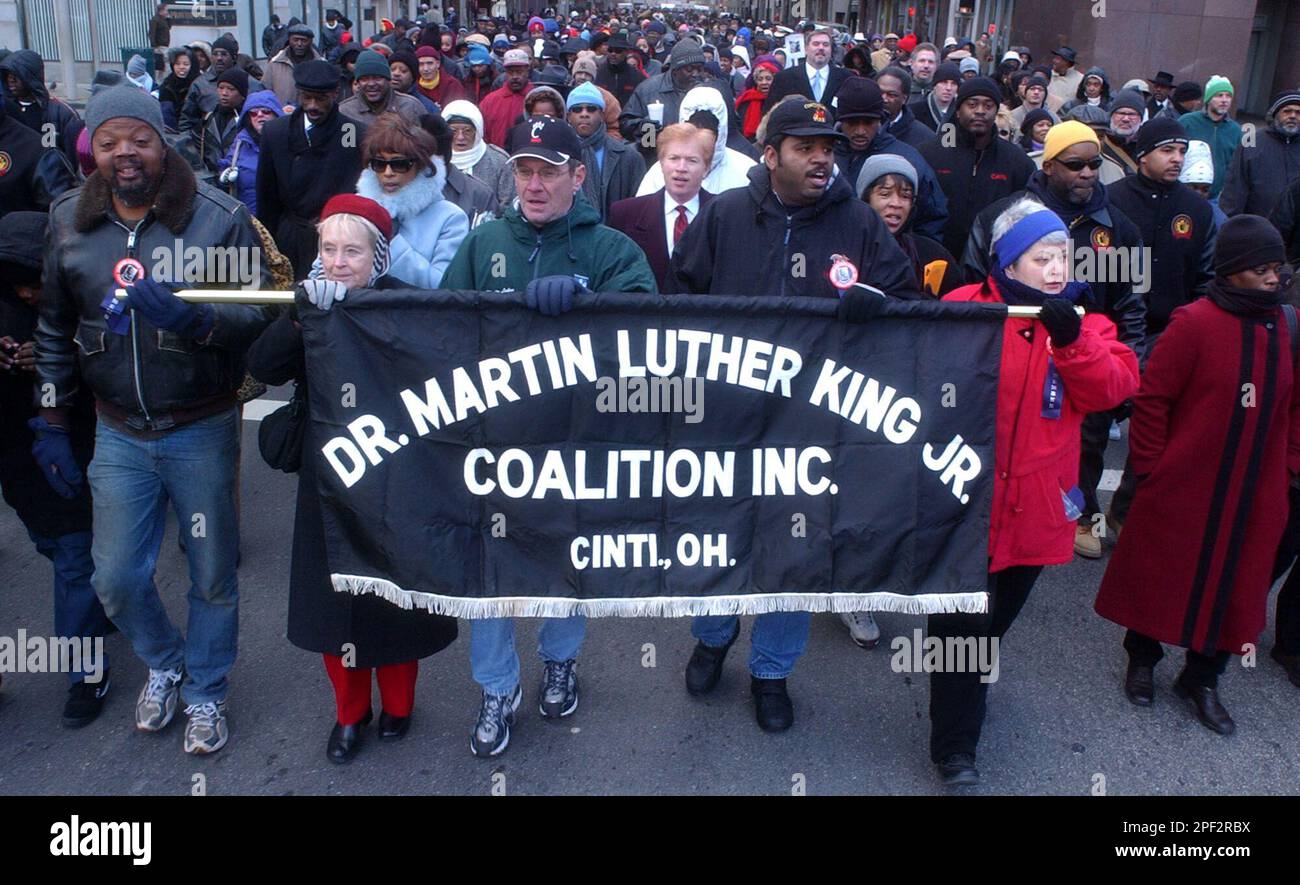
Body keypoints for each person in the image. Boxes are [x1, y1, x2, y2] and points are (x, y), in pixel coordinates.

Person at [665, 98, 919, 733]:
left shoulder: (858, 223)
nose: (822, 158)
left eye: (829, 148)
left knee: (797, 550)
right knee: (719, 538)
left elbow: (910, 302)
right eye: (806, 147)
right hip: (725, 419)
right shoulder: (724, 214)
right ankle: (714, 636)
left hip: (814, 427)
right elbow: (680, 299)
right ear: (771, 154)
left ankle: (772, 671)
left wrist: (876, 302)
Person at [34, 86, 275, 755]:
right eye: (109, 142)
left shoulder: (217, 217)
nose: (125, 154)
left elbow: (259, 314)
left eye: (137, 139)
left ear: (160, 140)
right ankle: (165, 661)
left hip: (198, 426)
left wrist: (196, 318)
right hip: (116, 430)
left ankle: (205, 691)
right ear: (94, 151)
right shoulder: (67, 221)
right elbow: (54, 324)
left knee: (211, 573)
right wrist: (51, 413)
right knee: (114, 576)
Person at [438, 116, 656, 757]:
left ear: (578, 175)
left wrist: (591, 300)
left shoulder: (611, 249)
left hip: (577, 440)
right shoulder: (484, 244)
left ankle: (560, 661)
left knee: (567, 559)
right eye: (525, 171)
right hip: (495, 440)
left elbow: (647, 337)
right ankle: (496, 686)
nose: (534, 185)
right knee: (491, 571)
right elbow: (444, 327)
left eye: (550, 171)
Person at [245, 194, 457, 763]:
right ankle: (349, 715)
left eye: (352, 252)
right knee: (330, 604)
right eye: (328, 249)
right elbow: (261, 367)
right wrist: (298, 317)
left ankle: (400, 706)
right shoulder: (309, 304)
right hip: (328, 485)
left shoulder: (410, 307)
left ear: (378, 257)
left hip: (398, 480)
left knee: (397, 603)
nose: (338, 262)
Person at [933, 197, 1138, 785]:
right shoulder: (963, 311)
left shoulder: (1086, 322)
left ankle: (962, 685)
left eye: (1063, 256)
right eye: (1040, 257)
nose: (1056, 268)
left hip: (1038, 512)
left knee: (992, 627)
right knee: (963, 636)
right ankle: (955, 752)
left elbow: (1114, 388)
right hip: (963, 510)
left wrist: (1072, 342)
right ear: (1008, 263)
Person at [1094, 215, 1300, 735]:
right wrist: (1154, 469)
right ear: (1232, 272)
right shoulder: (1195, 322)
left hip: (1257, 490)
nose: (1275, 279)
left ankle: (1202, 678)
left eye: (1278, 268)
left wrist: (1290, 467)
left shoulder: (1289, 327)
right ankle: (1142, 658)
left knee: (1240, 586)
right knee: (1161, 571)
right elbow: (1154, 400)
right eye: (1262, 270)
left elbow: (1296, 408)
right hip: (1184, 483)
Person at [963, 122, 1146, 559]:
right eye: (1075, 164)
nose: (1086, 173)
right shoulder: (999, 218)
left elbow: (1133, 302)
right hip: (972, 483)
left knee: (1087, 446)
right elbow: (972, 282)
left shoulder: (1121, 229)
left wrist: (1091, 347)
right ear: (1048, 166)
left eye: (1094, 165)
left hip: (1082, 356)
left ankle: (1080, 515)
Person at [1, 208, 111, 729]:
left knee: (74, 558)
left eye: (33, 283)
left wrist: (59, 356)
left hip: (80, 447)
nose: (26, 296)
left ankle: (84, 672)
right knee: (58, 550)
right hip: (18, 461)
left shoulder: (83, 293)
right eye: (14, 286)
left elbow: (116, 359)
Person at [1104, 119, 1215, 537]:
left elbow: (1205, 275)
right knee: (1096, 427)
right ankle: (1078, 514)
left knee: (1154, 424)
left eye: (1182, 152)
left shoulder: (1197, 209)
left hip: (1171, 332)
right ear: (1143, 154)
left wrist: (1194, 324)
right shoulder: (1112, 200)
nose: (1177, 159)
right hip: (1112, 328)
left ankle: (1125, 512)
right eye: (1168, 151)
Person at [256, 59, 367, 278]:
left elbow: (354, 181)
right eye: (307, 97)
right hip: (289, 239)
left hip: (335, 240)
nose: (313, 105)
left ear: (335, 94)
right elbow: (266, 198)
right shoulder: (276, 132)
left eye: (321, 99)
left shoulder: (350, 132)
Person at [918, 77, 1037, 260]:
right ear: (958, 111)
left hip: (993, 259)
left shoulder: (1017, 161)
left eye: (988, 106)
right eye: (972, 105)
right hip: (936, 256)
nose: (980, 111)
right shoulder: (930, 153)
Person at [354, 113, 467, 287]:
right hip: (357, 312)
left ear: (421, 166)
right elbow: (325, 268)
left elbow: (442, 285)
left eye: (399, 164)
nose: (388, 172)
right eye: (379, 164)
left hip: (418, 313)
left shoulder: (450, 218)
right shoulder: (357, 209)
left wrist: (390, 241)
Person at [831, 77, 948, 242]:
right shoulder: (824, 158)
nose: (860, 131)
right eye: (852, 122)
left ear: (880, 120)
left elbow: (932, 218)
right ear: (840, 121)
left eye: (868, 122)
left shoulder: (908, 159)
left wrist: (910, 255)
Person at [608, 122, 713, 290]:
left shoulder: (724, 214)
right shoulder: (625, 214)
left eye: (692, 160)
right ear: (661, 163)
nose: (681, 168)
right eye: (674, 158)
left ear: (706, 168)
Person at [857, 154, 961, 299]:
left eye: (905, 196)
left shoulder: (932, 255)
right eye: (885, 194)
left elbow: (958, 309)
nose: (896, 203)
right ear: (865, 199)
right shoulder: (846, 250)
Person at [636, 85, 753, 197]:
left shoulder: (745, 170)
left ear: (720, 130)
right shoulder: (660, 172)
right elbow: (644, 211)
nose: (702, 138)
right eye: (695, 129)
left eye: (709, 130)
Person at [564, 82, 644, 220]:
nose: (584, 114)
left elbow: (639, 208)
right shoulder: (557, 154)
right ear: (569, 116)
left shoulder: (629, 157)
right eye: (577, 109)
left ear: (601, 114)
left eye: (591, 109)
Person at [1220, 91, 1300, 219]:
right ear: (1275, 114)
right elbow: (1235, 188)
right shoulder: (1252, 142)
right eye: (1287, 111)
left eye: (1298, 112)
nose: (1292, 116)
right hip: (1257, 228)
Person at [0, 50, 84, 167]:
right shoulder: (6, 111)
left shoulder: (61, 112)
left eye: (16, 74)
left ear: (30, 76)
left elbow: (75, 159)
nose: (11, 80)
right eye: (7, 75)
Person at [179, 35, 263, 135]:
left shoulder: (251, 83)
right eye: (215, 54)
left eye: (224, 54)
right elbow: (186, 121)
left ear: (234, 57)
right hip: (210, 144)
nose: (219, 58)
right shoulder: (200, 84)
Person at [217, 90, 282, 215]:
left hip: (280, 219)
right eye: (253, 113)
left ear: (276, 113)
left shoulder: (288, 141)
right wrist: (224, 176)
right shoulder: (240, 142)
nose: (259, 115)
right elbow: (227, 166)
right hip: (249, 218)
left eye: (266, 111)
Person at [1179, 76, 1241, 200]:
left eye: (1228, 96)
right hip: (1184, 193)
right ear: (1208, 98)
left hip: (1217, 198)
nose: (1224, 100)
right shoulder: (1187, 122)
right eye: (1219, 95)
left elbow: (1237, 166)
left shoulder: (1236, 130)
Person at [443, 99, 513, 206]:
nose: (460, 137)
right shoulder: (436, 160)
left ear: (477, 131)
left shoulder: (498, 161)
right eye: (453, 131)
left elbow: (508, 203)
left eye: (467, 131)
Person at [762, 29, 851, 113]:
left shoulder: (846, 79)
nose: (821, 48)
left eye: (826, 44)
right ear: (806, 48)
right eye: (816, 44)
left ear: (831, 50)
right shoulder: (784, 78)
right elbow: (771, 113)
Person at [339, 50, 425, 124]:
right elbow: (346, 143)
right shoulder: (345, 112)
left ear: (388, 79)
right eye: (364, 79)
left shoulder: (411, 107)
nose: (371, 84)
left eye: (377, 78)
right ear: (358, 82)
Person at [479, 49, 533, 147]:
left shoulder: (536, 99)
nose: (515, 76)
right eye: (510, 72)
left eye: (519, 72)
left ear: (527, 71)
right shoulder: (490, 101)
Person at [262, 22, 321, 107]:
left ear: (311, 42)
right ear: (289, 40)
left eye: (304, 40)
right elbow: (265, 93)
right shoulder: (275, 64)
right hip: (282, 116)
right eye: (295, 40)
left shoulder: (321, 65)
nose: (299, 44)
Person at [877, 67, 932, 148]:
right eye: (879, 92)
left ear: (904, 99)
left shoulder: (924, 138)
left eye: (891, 95)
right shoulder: (861, 127)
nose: (884, 99)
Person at [1101, 90, 1145, 177]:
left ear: (1141, 119)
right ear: (1111, 116)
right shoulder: (1100, 143)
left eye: (1132, 114)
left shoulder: (1145, 146)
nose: (1126, 119)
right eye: (1121, 113)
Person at [735, 56, 780, 141]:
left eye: (768, 79)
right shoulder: (746, 99)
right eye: (760, 79)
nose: (764, 82)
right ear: (756, 81)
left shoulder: (780, 98)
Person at [911, 61, 959, 131]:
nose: (949, 88)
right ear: (935, 85)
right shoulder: (914, 111)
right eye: (944, 82)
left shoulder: (962, 112)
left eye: (953, 84)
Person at [159, 49, 199, 131]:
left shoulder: (199, 84)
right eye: (177, 64)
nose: (181, 67)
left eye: (186, 64)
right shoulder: (167, 85)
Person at [1047, 46, 1083, 111]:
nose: (1054, 60)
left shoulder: (1080, 79)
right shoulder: (1047, 75)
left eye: (1058, 59)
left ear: (1067, 62)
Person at [148, 3, 170, 75]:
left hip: (164, 45)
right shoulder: (155, 20)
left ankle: (162, 81)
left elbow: (169, 27)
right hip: (159, 46)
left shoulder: (164, 20)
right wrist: (154, 46)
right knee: (161, 66)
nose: (167, 12)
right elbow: (152, 33)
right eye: (166, 10)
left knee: (164, 66)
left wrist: (168, 19)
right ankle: (159, 82)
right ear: (161, 11)